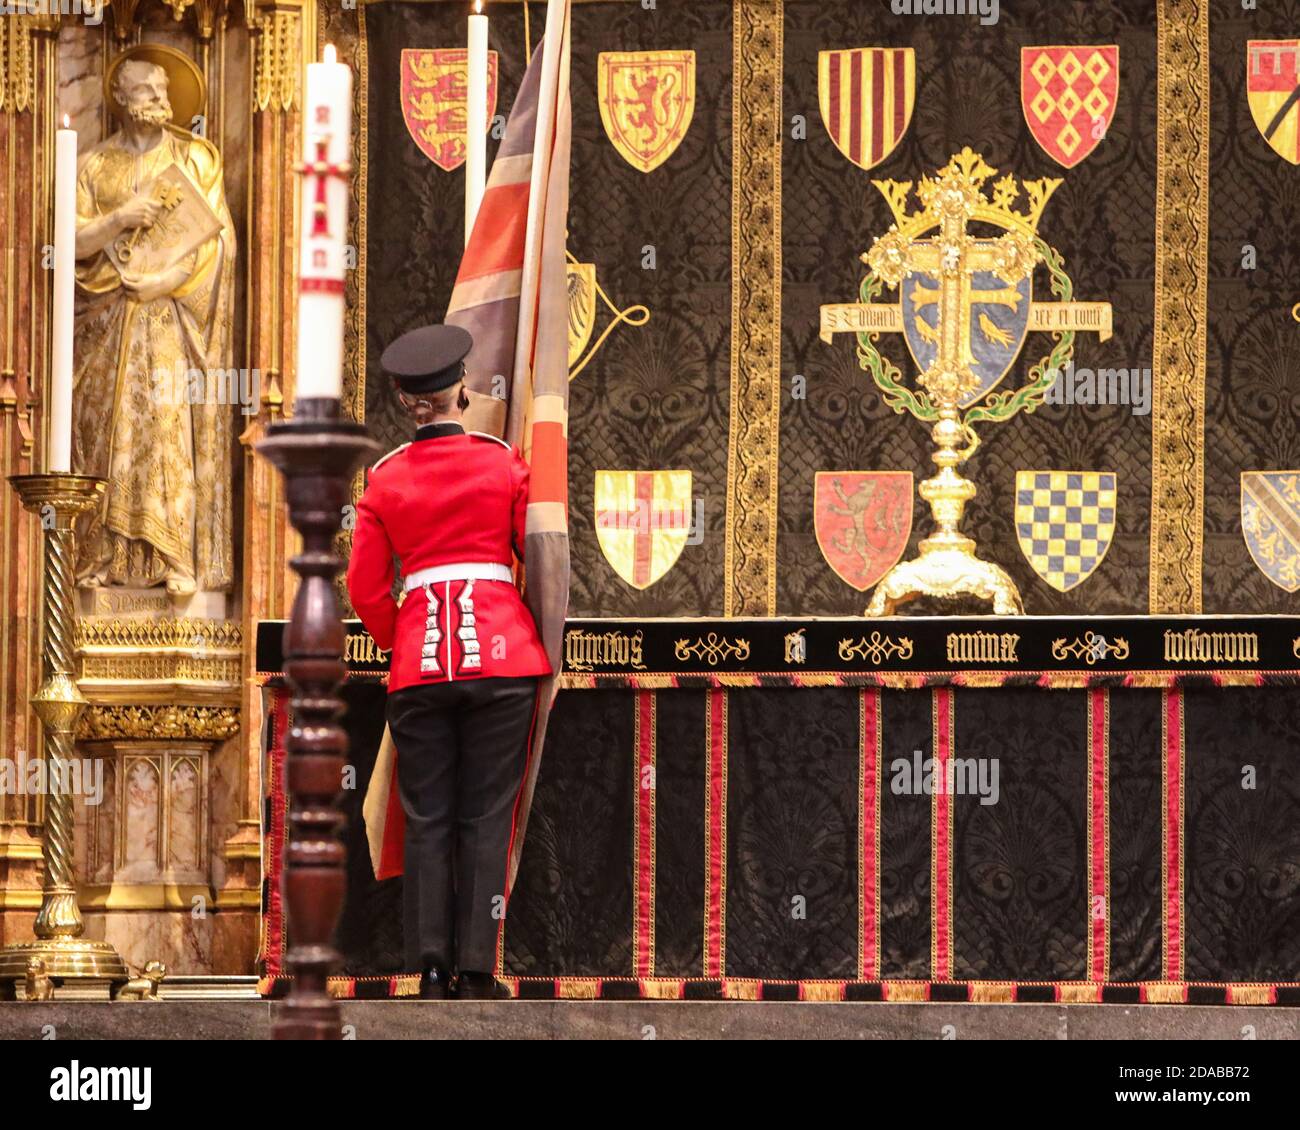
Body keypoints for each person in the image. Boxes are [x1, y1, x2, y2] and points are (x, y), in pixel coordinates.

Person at [346, 323, 552, 1000]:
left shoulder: (383, 479)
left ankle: (430, 969)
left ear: (408, 402)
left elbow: (366, 588)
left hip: (420, 668)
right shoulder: (503, 461)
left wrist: (398, 638)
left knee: (427, 818)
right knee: (485, 818)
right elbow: (538, 549)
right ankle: (475, 967)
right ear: (460, 389)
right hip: (502, 658)